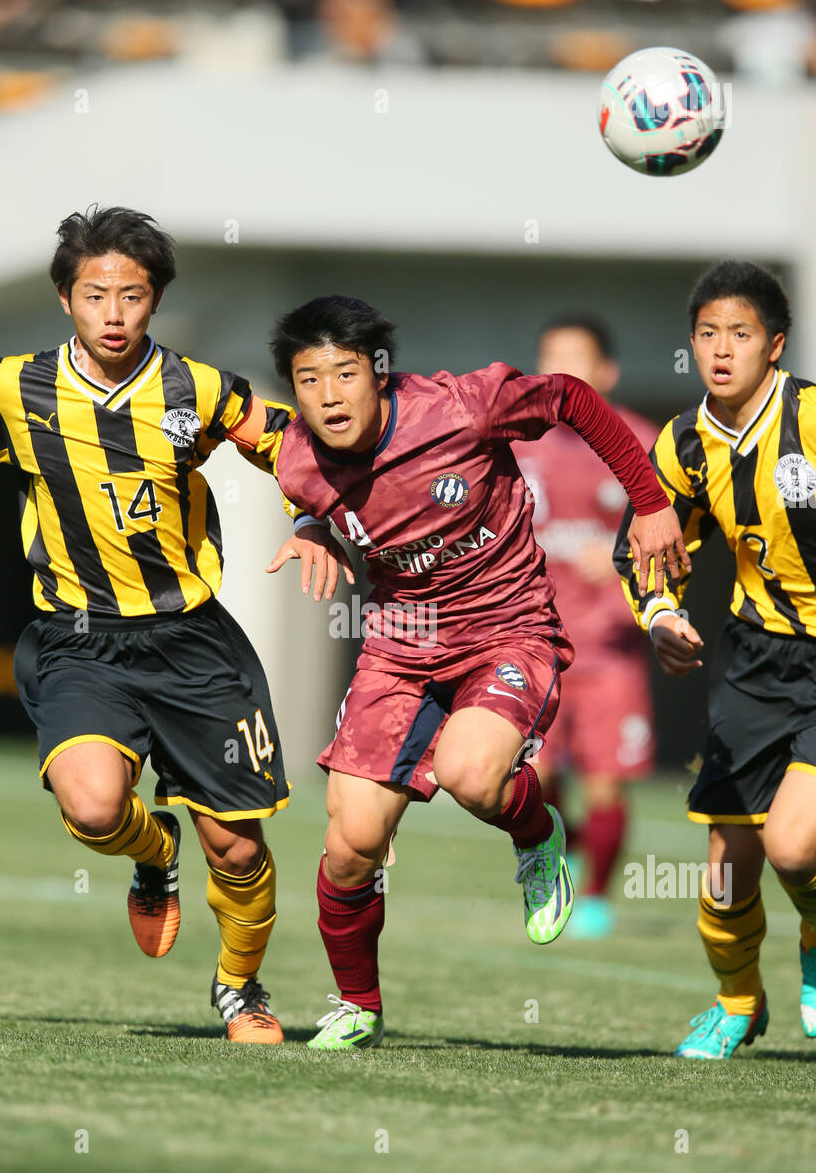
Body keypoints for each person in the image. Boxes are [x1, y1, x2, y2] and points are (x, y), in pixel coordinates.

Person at [0, 206, 349, 1045]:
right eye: (96, 294)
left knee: (238, 851)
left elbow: (285, 442)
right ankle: (152, 853)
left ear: (155, 298)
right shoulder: (15, 389)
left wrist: (317, 517)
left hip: (191, 642)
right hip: (79, 641)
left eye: (132, 295)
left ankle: (240, 988)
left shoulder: (194, 390)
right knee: (95, 808)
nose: (114, 314)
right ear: (65, 299)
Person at [248, 294, 684, 1049]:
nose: (328, 396)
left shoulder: (460, 406)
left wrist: (648, 502)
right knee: (351, 842)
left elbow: (573, 398)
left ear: (378, 375)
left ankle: (538, 836)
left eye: (344, 375)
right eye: (308, 380)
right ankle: (359, 1004)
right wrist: (310, 527)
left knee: (472, 774)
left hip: (507, 631)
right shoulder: (296, 455)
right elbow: (306, 491)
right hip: (399, 647)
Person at [613, 258, 816, 1059]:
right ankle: (738, 1002)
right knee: (727, 868)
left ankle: (811, 945)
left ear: (777, 344)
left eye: (740, 333)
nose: (721, 349)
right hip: (756, 662)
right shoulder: (685, 445)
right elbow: (642, 549)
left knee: (796, 845)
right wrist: (660, 614)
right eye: (706, 334)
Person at [512, 316, 658, 939]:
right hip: (535, 644)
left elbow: (680, 544)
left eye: (576, 360)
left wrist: (624, 563)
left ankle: (595, 897)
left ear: (607, 373)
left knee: (605, 783)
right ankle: (557, 859)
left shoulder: (643, 444)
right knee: (532, 778)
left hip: (610, 648)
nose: (562, 374)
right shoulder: (516, 445)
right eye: (551, 361)